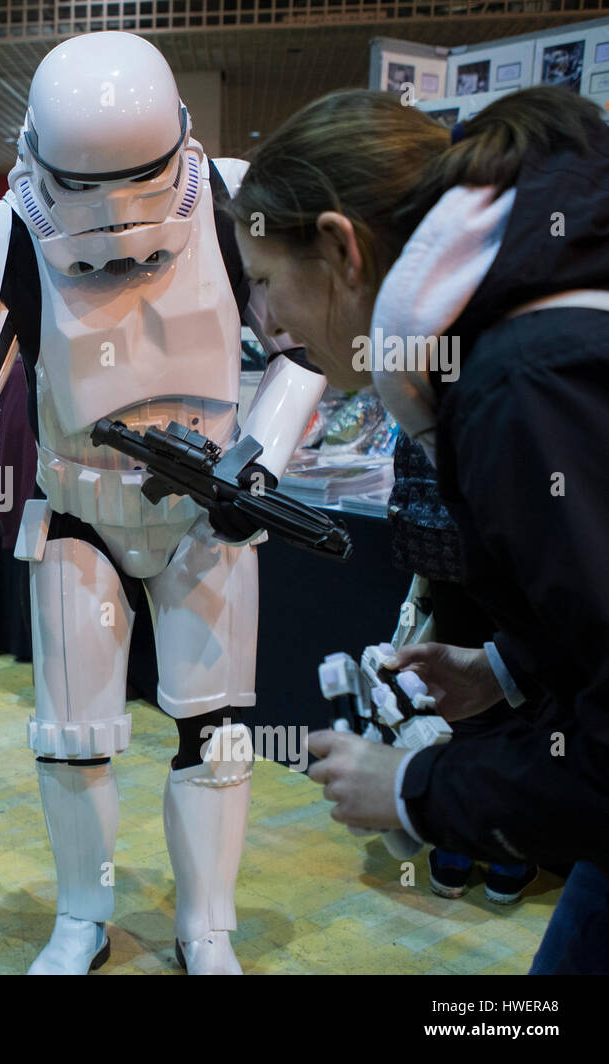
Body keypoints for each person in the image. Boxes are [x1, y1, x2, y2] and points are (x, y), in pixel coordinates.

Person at [0, 30, 326, 974]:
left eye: (137, 181)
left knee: (213, 729)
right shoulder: (2, 231)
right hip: (78, 506)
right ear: (40, 162)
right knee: (71, 736)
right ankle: (81, 917)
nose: (117, 218)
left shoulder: (230, 201)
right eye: (89, 188)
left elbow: (302, 349)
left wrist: (259, 468)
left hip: (205, 508)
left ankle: (205, 923)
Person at [231, 86, 609, 973]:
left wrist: (414, 788)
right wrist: (506, 671)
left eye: (262, 281)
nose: (267, 323)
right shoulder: (524, 341)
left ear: (338, 247)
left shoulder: (522, 385)